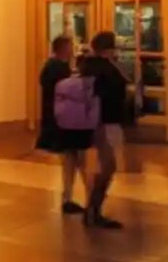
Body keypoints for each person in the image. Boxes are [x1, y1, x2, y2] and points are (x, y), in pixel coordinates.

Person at [36, 35, 91, 215]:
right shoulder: (58, 68)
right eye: (70, 47)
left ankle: (68, 196)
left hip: (57, 119)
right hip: (67, 120)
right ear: (64, 48)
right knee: (78, 158)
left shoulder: (50, 67)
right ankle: (88, 197)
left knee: (69, 159)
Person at [79, 31, 129, 229]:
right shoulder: (106, 69)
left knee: (99, 166)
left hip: (90, 123)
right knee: (107, 166)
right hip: (106, 122)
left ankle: (92, 208)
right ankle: (94, 209)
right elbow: (115, 93)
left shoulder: (86, 66)